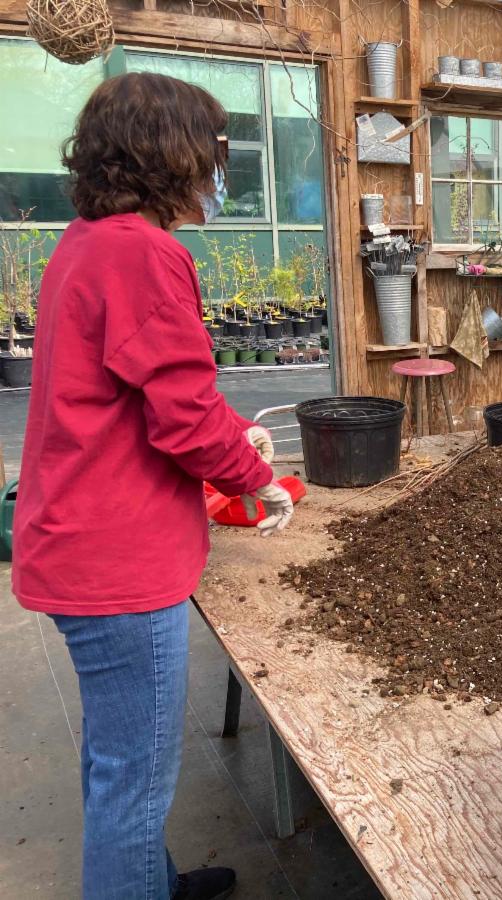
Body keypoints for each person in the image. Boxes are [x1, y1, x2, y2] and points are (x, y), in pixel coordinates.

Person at [12, 72, 295, 900]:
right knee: (132, 784)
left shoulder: (86, 242)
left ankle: (154, 882)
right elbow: (182, 418)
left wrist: (225, 434)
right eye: (211, 150)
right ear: (172, 154)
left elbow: (139, 394)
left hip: (77, 537)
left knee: (119, 757)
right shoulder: (143, 253)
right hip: (117, 567)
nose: (217, 170)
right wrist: (256, 477)